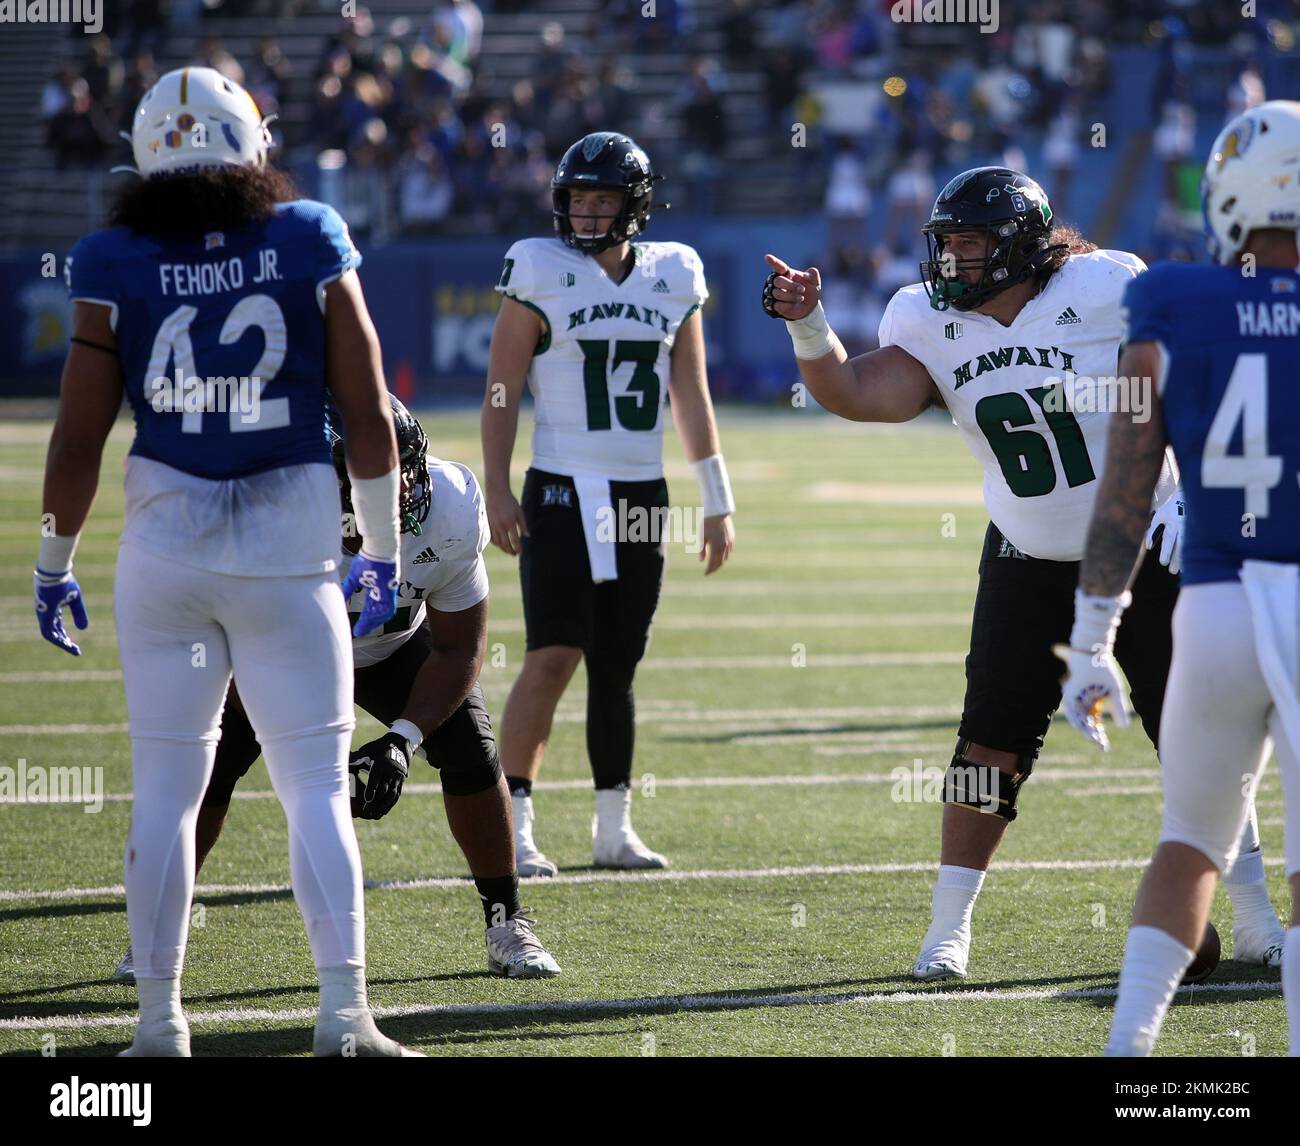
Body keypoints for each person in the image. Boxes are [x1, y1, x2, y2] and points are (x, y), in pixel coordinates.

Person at [762, 164, 1284, 982]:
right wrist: (809, 326)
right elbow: (859, 391)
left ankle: (1255, 919)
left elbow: (1205, 379)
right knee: (989, 745)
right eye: (948, 243)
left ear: (1021, 248)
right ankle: (947, 929)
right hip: (1026, 556)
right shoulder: (927, 319)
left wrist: (1198, 492)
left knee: (1201, 735)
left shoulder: (1110, 286)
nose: (952, 261)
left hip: (1145, 544)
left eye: (970, 244)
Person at [36, 66, 414, 1056]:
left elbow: (77, 439)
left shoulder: (110, 256)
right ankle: (343, 1016)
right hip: (286, 550)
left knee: (166, 789)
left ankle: (159, 1023)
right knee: (315, 788)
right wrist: (378, 548)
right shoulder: (306, 235)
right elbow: (369, 413)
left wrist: (51, 561)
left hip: (167, 550)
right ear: (254, 141)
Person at [111, 396, 560, 982]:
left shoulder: (450, 507)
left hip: (393, 649)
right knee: (209, 764)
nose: (395, 490)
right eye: (370, 475)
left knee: (471, 750)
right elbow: (241, 645)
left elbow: (459, 650)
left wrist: (402, 737)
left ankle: (506, 922)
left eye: (402, 468)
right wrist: (304, 753)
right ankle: (157, 934)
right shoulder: (277, 516)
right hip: (273, 652)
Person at [1057, 101, 1300, 1055]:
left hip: (1216, 604)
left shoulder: (1171, 302)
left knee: (1191, 841)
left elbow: (1125, 488)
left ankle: (1130, 1062)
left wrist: (1090, 639)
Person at [482, 132, 735, 877]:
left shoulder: (675, 272)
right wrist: (497, 486)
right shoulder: (538, 268)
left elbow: (690, 392)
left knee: (617, 666)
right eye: (579, 199)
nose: (588, 214)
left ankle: (611, 829)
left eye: (603, 200)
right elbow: (501, 389)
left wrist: (716, 499)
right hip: (559, 490)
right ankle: (516, 826)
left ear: (635, 205)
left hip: (640, 495)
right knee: (552, 655)